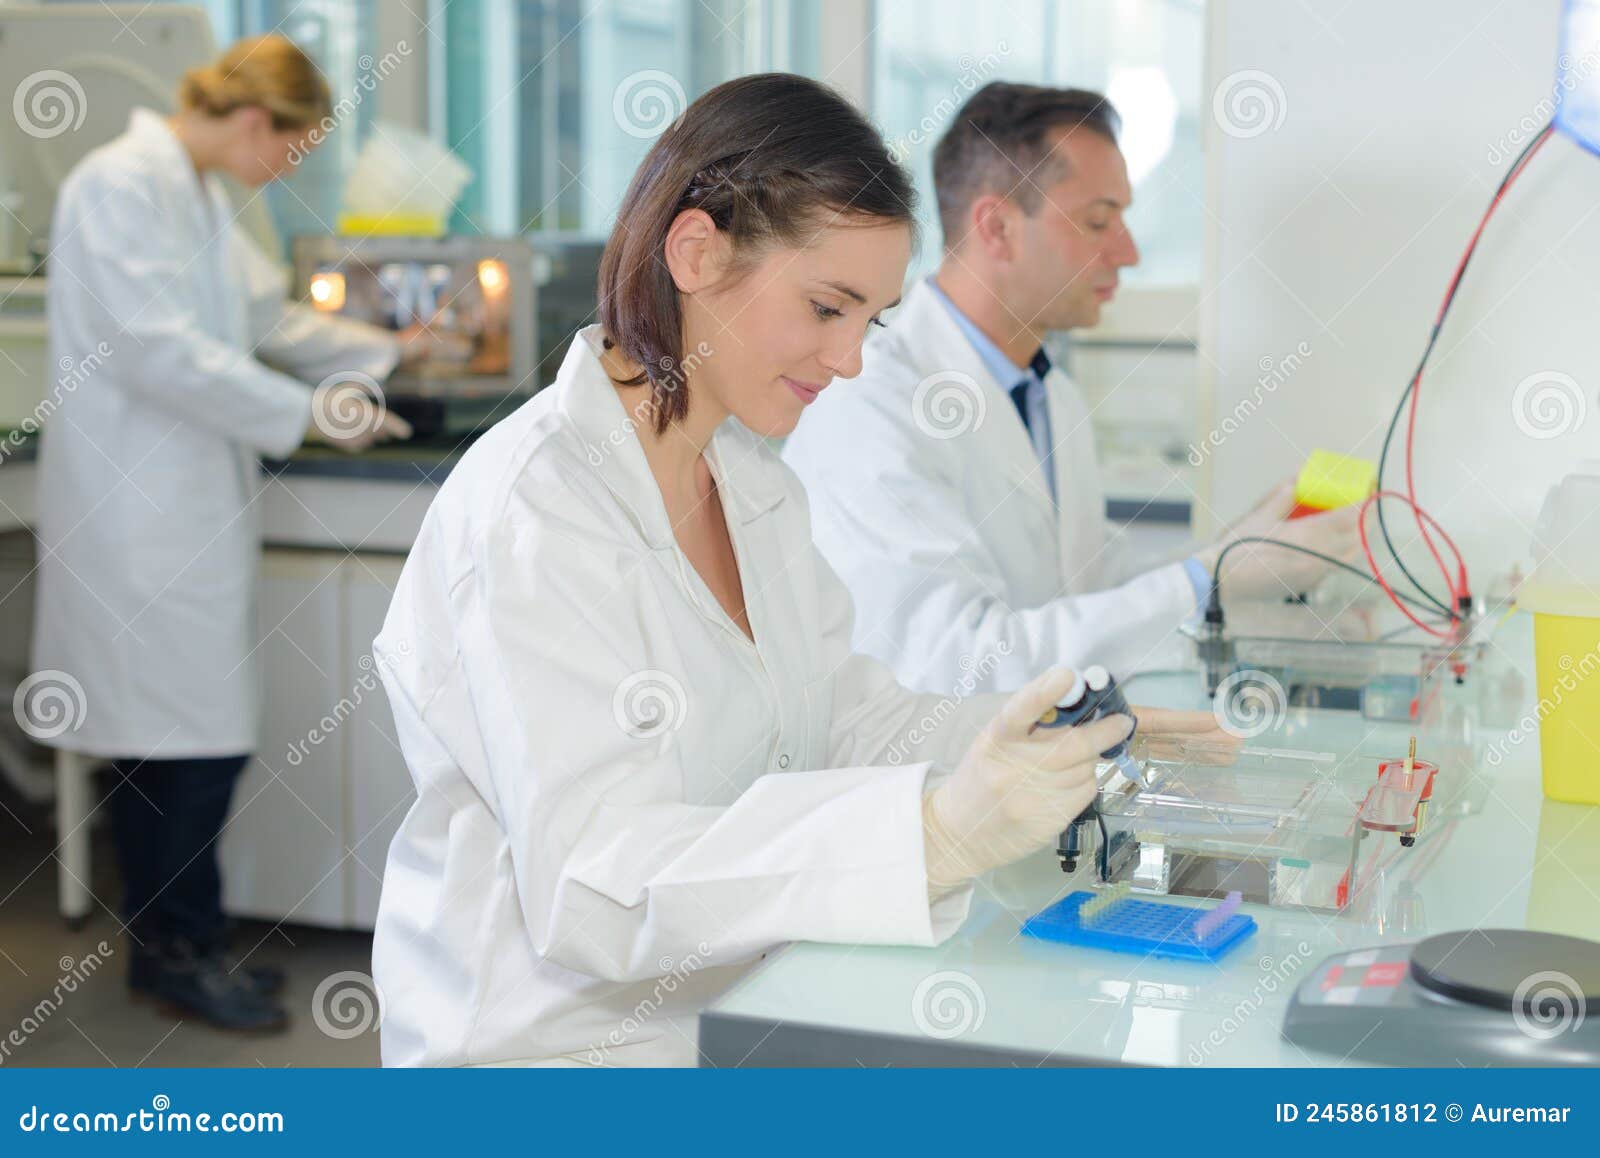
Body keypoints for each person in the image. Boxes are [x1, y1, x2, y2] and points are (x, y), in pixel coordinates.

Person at [370, 73, 1228, 1068]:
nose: (851, 361)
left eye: (868, 321)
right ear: (696, 252)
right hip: (547, 1060)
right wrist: (933, 835)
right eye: (826, 307)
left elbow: (846, 718)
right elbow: (596, 881)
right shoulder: (536, 508)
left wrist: (1042, 734)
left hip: (740, 1015)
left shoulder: (751, 484)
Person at [32, 34, 413, 1032]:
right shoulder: (121, 185)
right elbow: (162, 351)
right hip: (136, 518)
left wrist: (390, 348)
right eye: (289, 151)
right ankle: (173, 956)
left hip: (185, 512)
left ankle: (187, 943)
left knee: (198, 747)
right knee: (172, 756)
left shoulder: (197, 194)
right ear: (256, 122)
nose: (284, 170)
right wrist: (311, 415)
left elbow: (268, 320)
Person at [782, 82, 1360, 694]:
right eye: (1098, 221)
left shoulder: (1049, 395)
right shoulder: (872, 401)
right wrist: (1206, 580)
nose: (1129, 252)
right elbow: (954, 661)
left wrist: (1239, 553)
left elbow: (1089, 586)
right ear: (998, 227)